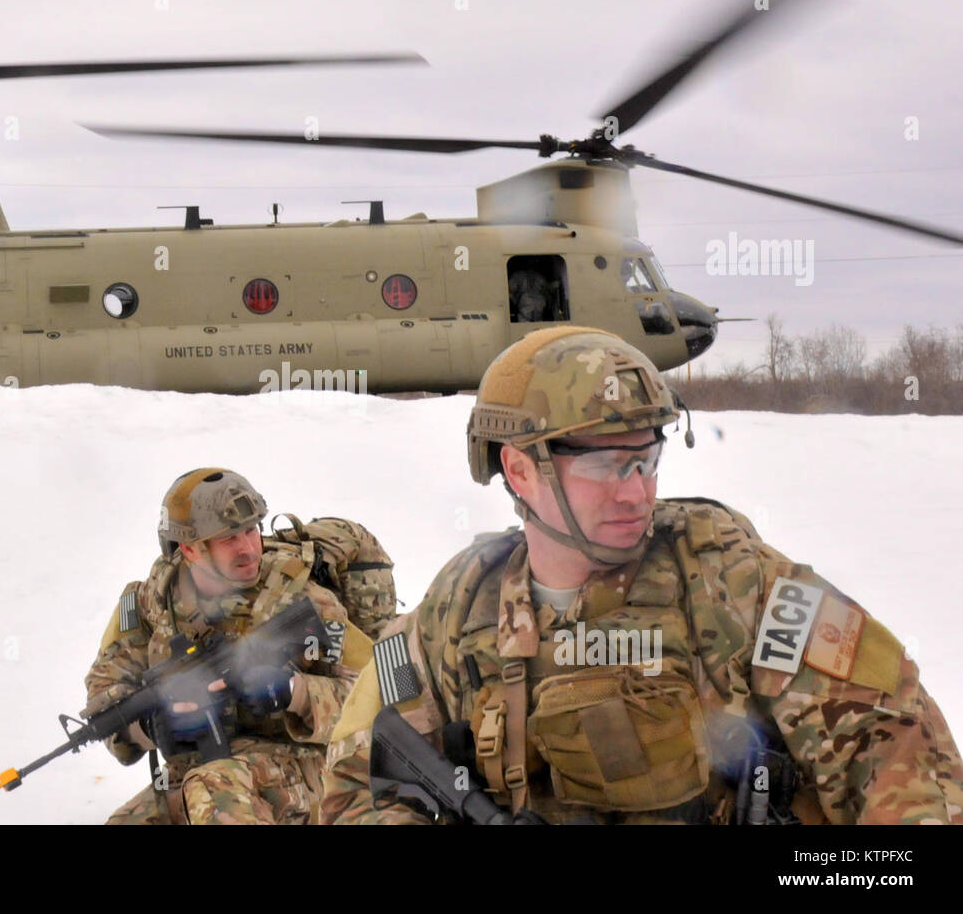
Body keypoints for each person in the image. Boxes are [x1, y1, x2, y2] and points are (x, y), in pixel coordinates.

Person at [322, 326, 963, 824]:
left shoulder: (734, 584)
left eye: (647, 459)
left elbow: (896, 752)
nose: (638, 493)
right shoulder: (459, 608)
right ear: (520, 472)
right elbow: (359, 783)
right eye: (606, 466)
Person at [83, 468, 395, 824]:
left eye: (251, 530)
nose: (249, 548)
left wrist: (293, 691)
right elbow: (104, 693)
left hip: (306, 771)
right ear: (190, 548)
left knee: (215, 788)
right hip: (196, 772)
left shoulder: (302, 598)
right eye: (229, 539)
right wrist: (148, 729)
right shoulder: (149, 604)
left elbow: (377, 699)